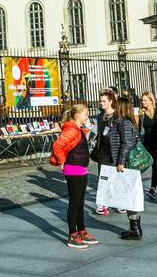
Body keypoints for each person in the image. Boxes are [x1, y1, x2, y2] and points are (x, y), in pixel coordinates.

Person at [50, 102, 96, 248]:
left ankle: (82, 231)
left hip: (81, 168)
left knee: (80, 202)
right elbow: (57, 145)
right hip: (73, 168)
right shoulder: (71, 130)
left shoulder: (77, 129)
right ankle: (72, 234)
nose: (87, 117)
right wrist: (62, 161)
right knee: (74, 203)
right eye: (85, 114)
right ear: (77, 115)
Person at [104, 94, 145, 239]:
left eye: (116, 106)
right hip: (124, 164)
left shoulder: (124, 123)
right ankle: (134, 228)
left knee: (129, 196)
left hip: (125, 164)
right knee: (128, 196)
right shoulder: (123, 122)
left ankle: (135, 230)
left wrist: (120, 162)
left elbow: (127, 143)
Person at [140, 92, 157, 199]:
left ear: (151, 101)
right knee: (155, 166)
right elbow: (141, 130)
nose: (143, 102)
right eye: (142, 100)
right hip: (147, 144)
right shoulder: (142, 114)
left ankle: (152, 189)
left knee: (156, 166)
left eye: (145, 100)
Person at [94, 88, 117, 216]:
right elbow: (98, 133)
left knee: (116, 177)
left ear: (110, 101)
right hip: (103, 150)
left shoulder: (117, 115)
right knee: (103, 177)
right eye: (100, 101)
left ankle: (118, 202)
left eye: (104, 101)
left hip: (115, 149)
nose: (101, 103)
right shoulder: (99, 116)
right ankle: (102, 204)